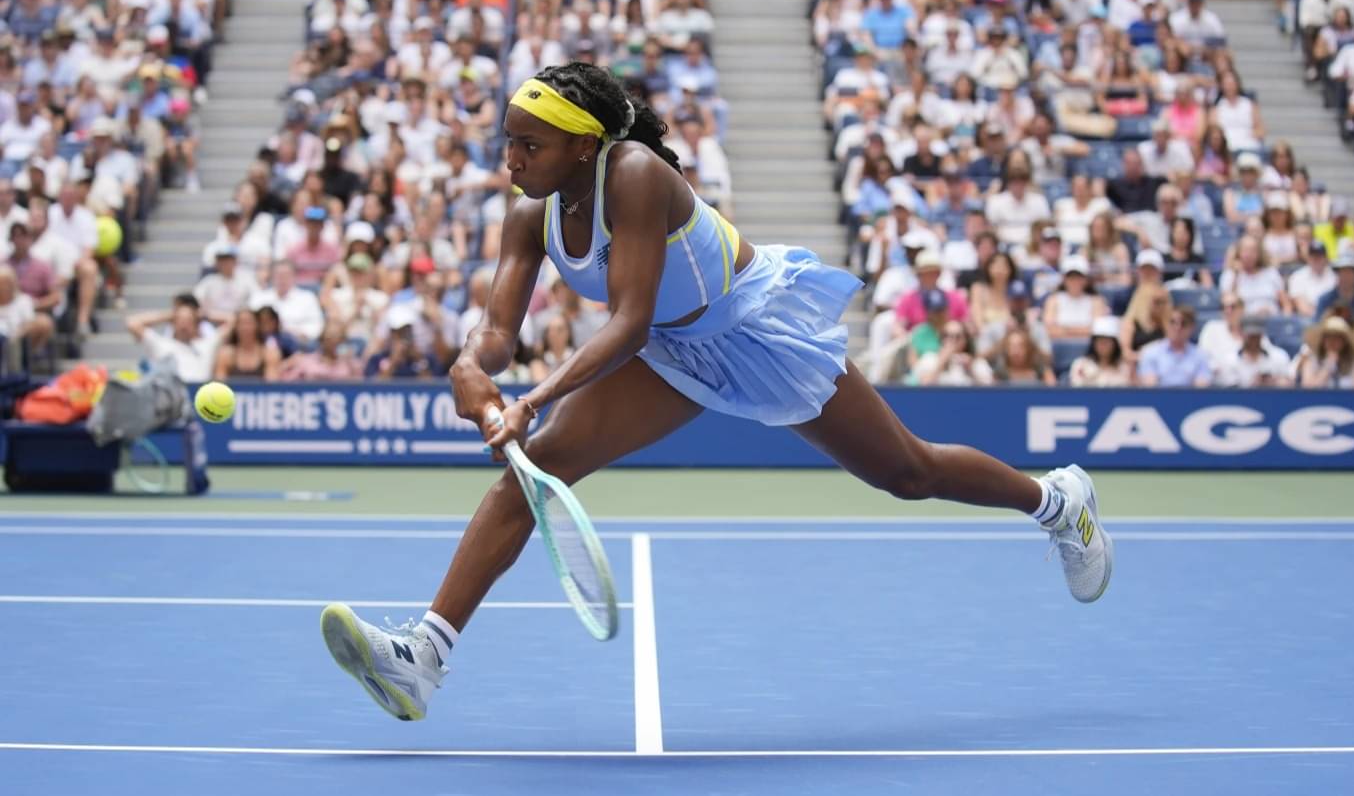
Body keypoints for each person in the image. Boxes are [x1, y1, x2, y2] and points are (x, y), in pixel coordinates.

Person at [320, 64, 1113, 721]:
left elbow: (627, 321)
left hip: (755, 329)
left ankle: (1055, 501)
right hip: (673, 353)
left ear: (585, 144)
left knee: (908, 473)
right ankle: (423, 656)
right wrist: (471, 363)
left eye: (529, 144)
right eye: (508, 142)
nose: (511, 158)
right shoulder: (528, 218)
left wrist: (529, 398)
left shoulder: (635, 174)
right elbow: (498, 332)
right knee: (533, 473)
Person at [1137, 304, 1212, 387]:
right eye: (1172, 322)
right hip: (1159, 399)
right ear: (1166, 324)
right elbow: (1150, 389)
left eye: (1183, 323)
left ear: (1192, 327)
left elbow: (1201, 390)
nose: (1177, 327)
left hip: (1191, 399)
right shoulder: (1150, 352)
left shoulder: (1201, 356)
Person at [1298, 316, 1354, 388]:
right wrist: (1327, 366)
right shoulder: (1311, 360)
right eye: (1328, 337)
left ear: (1345, 341)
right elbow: (1307, 391)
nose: (1332, 341)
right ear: (1322, 340)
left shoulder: (1353, 361)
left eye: (1337, 337)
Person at [1068, 315, 1131, 387]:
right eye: (1099, 341)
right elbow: (1077, 390)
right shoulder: (1081, 365)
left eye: (1107, 341)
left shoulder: (1124, 367)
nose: (1103, 345)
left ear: (1115, 344)